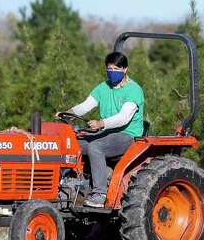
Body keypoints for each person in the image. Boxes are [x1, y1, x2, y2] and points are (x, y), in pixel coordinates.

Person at [59, 51, 146, 207]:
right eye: (109, 68)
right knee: (71, 143)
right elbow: (86, 106)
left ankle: (99, 193)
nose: (112, 72)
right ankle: (64, 184)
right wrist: (68, 113)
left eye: (115, 69)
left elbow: (123, 118)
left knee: (95, 147)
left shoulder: (134, 90)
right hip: (106, 133)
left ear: (125, 69)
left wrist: (101, 123)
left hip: (127, 135)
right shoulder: (103, 87)